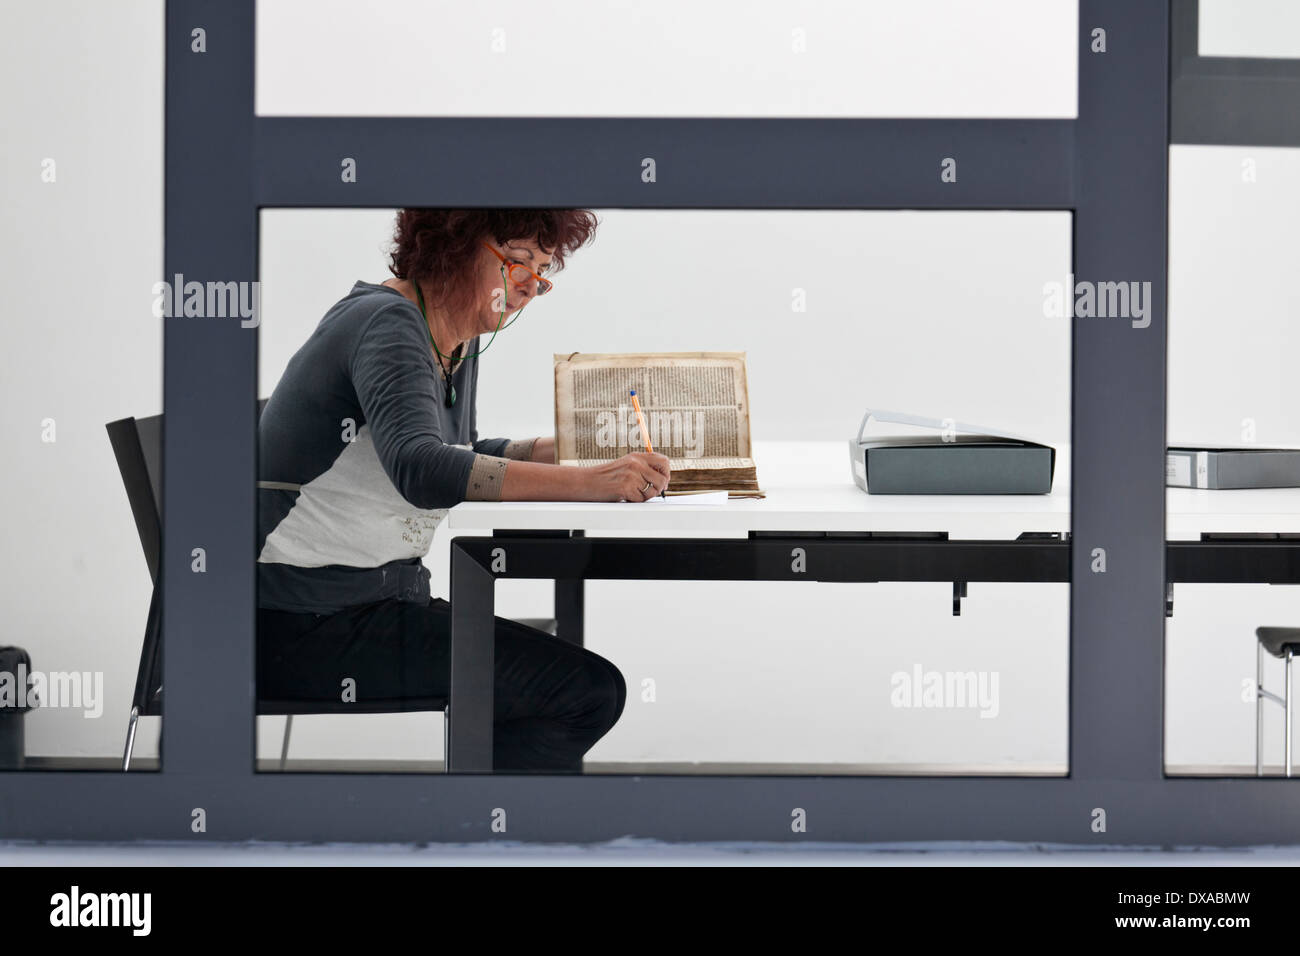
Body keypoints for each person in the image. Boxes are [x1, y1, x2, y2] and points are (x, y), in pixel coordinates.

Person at [255, 209, 671, 772]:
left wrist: (577, 448)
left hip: (367, 604)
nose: (529, 286)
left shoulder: (454, 337)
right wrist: (589, 484)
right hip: (297, 623)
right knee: (585, 692)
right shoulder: (388, 323)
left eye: (543, 271)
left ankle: (486, 833)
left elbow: (462, 453)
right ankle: (490, 838)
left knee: (568, 688)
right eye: (517, 262)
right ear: (450, 246)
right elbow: (423, 470)